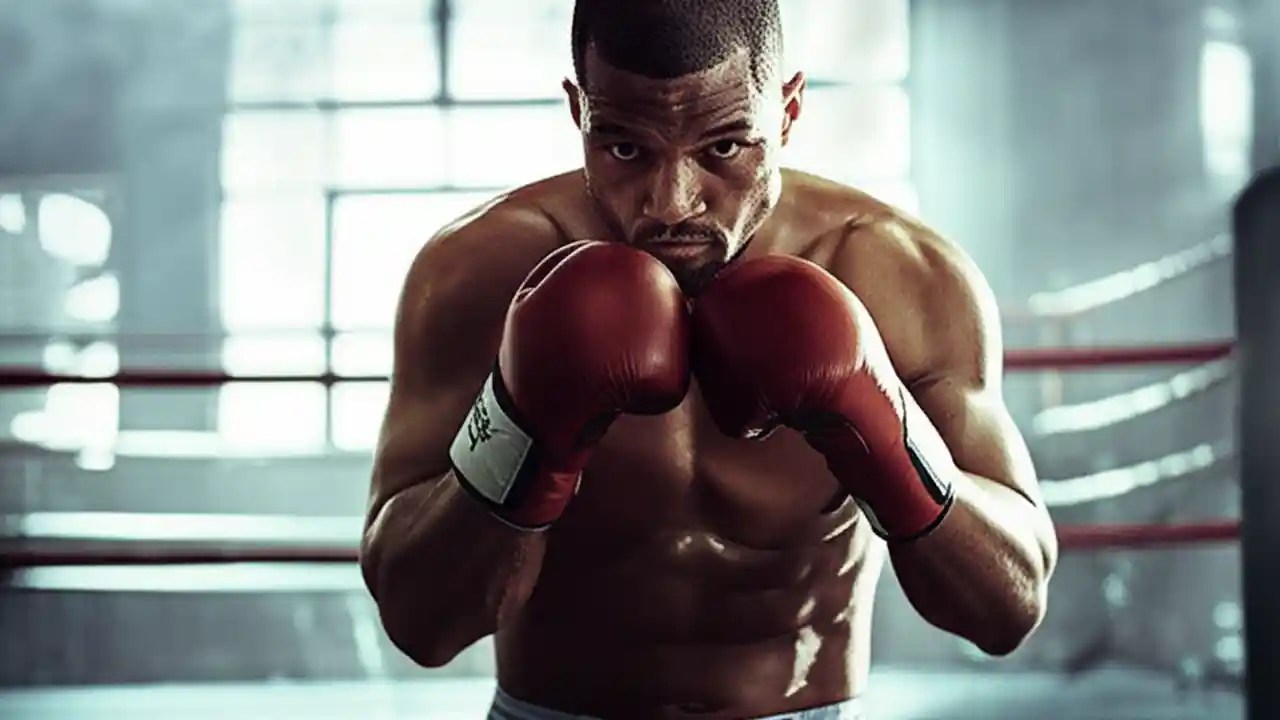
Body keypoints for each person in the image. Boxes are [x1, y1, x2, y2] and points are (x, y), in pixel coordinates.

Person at [359, 0, 1058, 717]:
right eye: (626, 148)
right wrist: (521, 423)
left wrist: (883, 427)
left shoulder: (899, 274)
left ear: (786, 111)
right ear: (580, 112)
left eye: (724, 148)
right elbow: (420, 623)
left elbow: (1009, 605)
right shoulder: (478, 271)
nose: (672, 204)